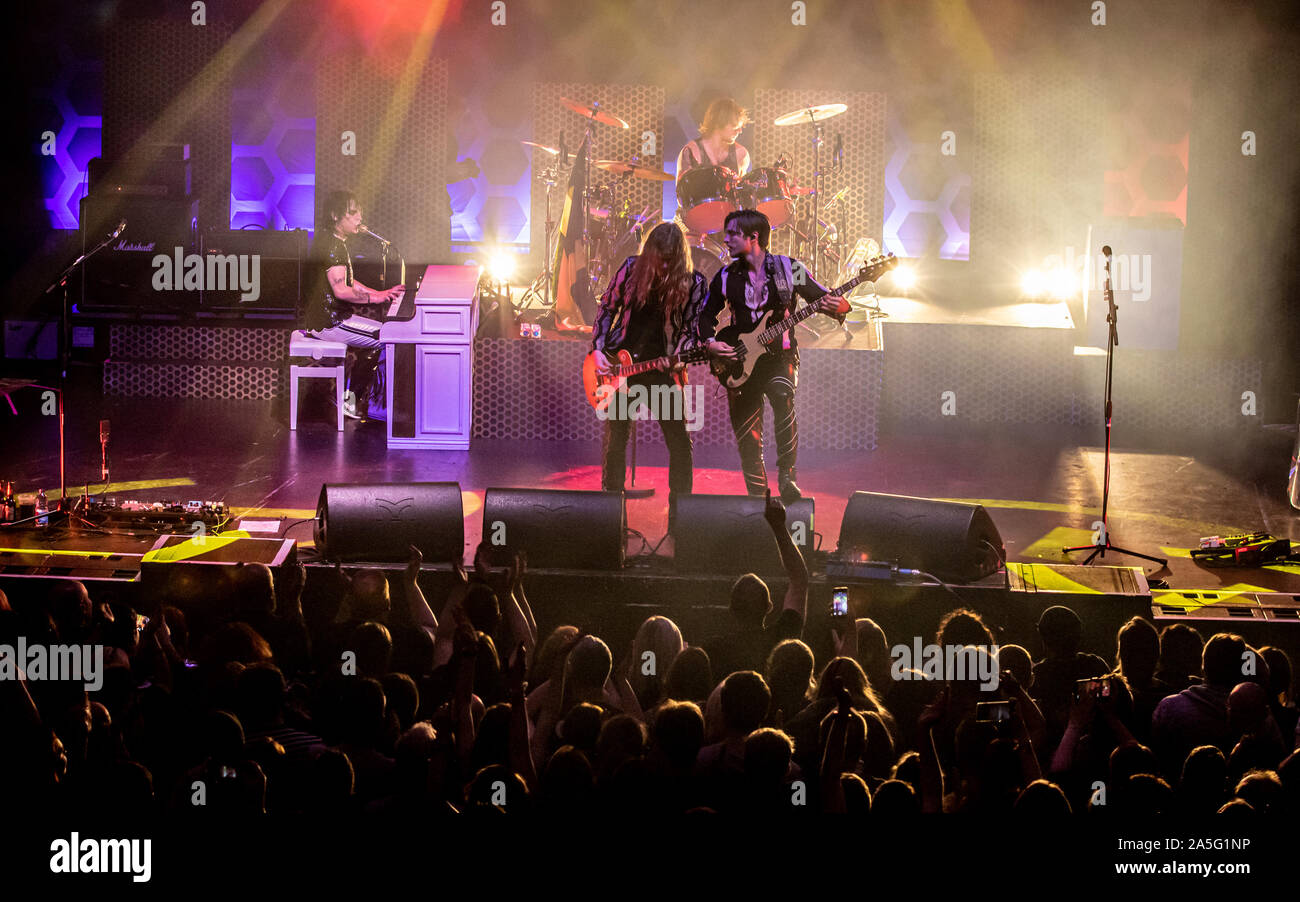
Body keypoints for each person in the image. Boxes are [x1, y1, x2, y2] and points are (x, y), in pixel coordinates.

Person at [698, 209, 845, 501]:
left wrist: (840, 305)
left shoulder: (791, 268)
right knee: (747, 432)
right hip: (740, 360)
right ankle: (758, 498)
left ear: (754, 237)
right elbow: (704, 317)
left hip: (781, 357)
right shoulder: (726, 275)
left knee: (782, 395)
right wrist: (710, 343)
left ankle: (787, 475)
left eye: (732, 234)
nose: (725, 239)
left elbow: (824, 298)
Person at [590, 222, 709, 527]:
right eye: (660, 257)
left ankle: (681, 519)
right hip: (619, 366)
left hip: (662, 373)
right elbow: (607, 308)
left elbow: (692, 329)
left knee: (680, 443)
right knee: (616, 439)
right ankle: (610, 516)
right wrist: (599, 350)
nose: (665, 264)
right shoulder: (631, 269)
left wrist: (679, 356)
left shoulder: (695, 283)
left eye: (671, 259)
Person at [303, 190, 406, 421]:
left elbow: (349, 281)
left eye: (359, 212)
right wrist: (376, 298)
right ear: (335, 216)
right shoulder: (332, 246)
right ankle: (358, 405)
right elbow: (341, 290)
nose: (359, 218)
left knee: (384, 336)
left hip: (335, 317)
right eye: (352, 213)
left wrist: (381, 293)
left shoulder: (335, 242)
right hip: (329, 322)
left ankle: (352, 402)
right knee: (386, 339)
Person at [675, 97, 752, 182]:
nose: (740, 131)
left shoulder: (741, 154)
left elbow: (741, 191)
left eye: (740, 127)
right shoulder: (691, 152)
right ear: (718, 123)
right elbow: (682, 192)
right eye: (735, 127)